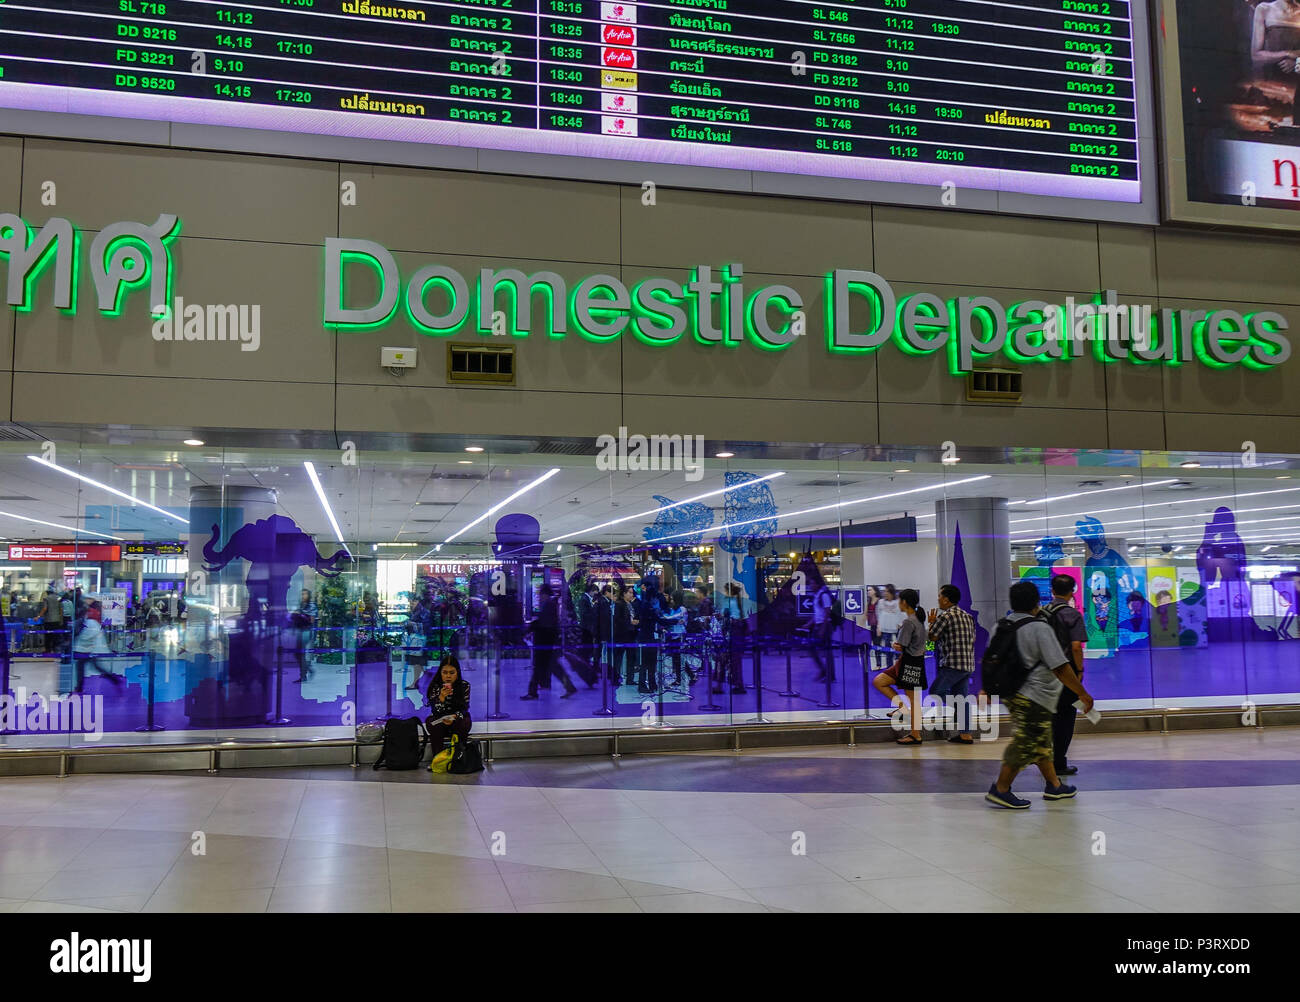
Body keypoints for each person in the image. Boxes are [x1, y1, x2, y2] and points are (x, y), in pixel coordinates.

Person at [986, 580, 1095, 810]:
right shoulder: (1039, 628)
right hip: (1035, 694)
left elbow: (993, 660)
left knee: (1041, 741)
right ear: (1037, 602)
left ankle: (1054, 785)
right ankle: (1001, 788)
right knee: (1026, 742)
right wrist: (1082, 692)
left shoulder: (1000, 626)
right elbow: (1060, 666)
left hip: (1012, 692)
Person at [1045, 574, 1088, 777]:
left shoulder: (1042, 613)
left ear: (1052, 591)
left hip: (1044, 673)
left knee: (1048, 718)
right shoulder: (1073, 615)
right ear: (1072, 592)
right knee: (1065, 718)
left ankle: (1045, 760)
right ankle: (1059, 762)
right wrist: (1079, 671)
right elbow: (1076, 647)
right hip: (1066, 671)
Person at [872, 587, 927, 744]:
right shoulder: (917, 620)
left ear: (904, 602)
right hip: (908, 661)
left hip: (910, 662)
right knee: (879, 681)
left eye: (900, 601)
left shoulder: (909, 622)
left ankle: (915, 734)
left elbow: (900, 645)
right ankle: (903, 709)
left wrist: (898, 645)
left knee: (914, 700)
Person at [927, 583, 977, 744]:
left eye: (940, 596)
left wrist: (931, 623)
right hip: (967, 664)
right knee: (961, 696)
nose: (938, 599)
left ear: (947, 600)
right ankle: (965, 734)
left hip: (952, 664)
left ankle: (959, 711)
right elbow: (973, 638)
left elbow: (932, 637)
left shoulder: (945, 616)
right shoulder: (967, 616)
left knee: (936, 690)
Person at [522, 584, 576, 700]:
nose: (539, 597)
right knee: (553, 667)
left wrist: (531, 627)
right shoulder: (551, 604)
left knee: (540, 667)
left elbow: (544, 623)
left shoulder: (549, 605)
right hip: (547, 642)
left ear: (545, 594)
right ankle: (568, 687)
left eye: (540, 594)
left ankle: (533, 692)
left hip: (545, 643)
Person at [425, 654, 471, 768]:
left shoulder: (464, 686)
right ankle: (438, 760)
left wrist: (454, 717)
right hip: (440, 718)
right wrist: (441, 697)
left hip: (456, 718)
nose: (448, 676)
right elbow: (435, 711)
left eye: (452, 673)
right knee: (432, 723)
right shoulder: (435, 686)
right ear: (440, 673)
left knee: (464, 723)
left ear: (457, 673)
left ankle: (459, 758)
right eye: (445, 672)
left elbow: (464, 708)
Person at [72, 601, 124, 694]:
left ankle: (80, 687)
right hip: (88, 649)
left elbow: (87, 635)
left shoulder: (91, 622)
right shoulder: (91, 621)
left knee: (83, 667)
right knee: (91, 667)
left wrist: (79, 637)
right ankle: (114, 679)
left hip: (86, 649)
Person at [633, 577, 663, 693]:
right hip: (647, 637)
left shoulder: (647, 604)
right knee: (646, 663)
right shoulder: (647, 605)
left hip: (649, 636)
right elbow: (657, 619)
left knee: (650, 662)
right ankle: (644, 685)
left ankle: (651, 683)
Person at [718, 582, 747, 695]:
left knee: (723, 659)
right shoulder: (739, 601)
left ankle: (720, 685)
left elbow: (724, 614)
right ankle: (738, 684)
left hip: (731, 633)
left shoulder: (728, 601)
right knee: (736, 661)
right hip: (738, 633)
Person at [806, 581, 836, 683]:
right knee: (811, 648)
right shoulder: (817, 596)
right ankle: (824, 671)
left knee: (827, 652)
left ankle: (830, 675)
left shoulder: (824, 595)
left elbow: (827, 612)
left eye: (812, 583)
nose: (810, 586)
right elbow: (817, 613)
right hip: (818, 626)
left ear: (817, 584)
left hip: (825, 626)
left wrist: (823, 628)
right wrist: (809, 624)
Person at [612, 584, 637, 686]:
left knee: (631, 657)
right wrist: (629, 622)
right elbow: (617, 620)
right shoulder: (619, 604)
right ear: (624, 594)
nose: (631, 595)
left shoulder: (631, 604)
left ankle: (630, 679)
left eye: (632, 593)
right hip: (621, 635)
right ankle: (616, 679)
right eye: (629, 593)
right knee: (618, 658)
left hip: (631, 634)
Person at [291, 588, 317, 683]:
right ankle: (306, 672)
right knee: (298, 654)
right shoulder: (301, 605)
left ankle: (305, 674)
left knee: (300, 653)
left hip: (306, 631)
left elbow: (311, 621)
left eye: (305, 594)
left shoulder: (311, 605)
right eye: (302, 594)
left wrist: (300, 615)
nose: (303, 596)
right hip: (300, 631)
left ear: (308, 595)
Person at [875, 583, 902, 668]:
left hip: (897, 629)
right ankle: (889, 668)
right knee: (888, 650)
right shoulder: (881, 602)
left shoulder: (897, 602)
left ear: (891, 592)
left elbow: (901, 613)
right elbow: (878, 614)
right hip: (886, 629)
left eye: (887, 591)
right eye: (884, 591)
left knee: (899, 650)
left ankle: (899, 668)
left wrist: (900, 624)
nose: (885, 593)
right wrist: (879, 627)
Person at [578, 581, 599, 670]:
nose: (595, 594)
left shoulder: (587, 599)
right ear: (592, 590)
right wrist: (594, 608)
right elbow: (585, 614)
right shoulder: (584, 599)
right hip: (586, 628)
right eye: (595, 592)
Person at [40, 585, 64, 655]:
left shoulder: (46, 599)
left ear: (48, 592)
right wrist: (61, 619)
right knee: (55, 636)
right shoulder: (59, 598)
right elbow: (61, 610)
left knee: (48, 636)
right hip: (57, 620)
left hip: (48, 620)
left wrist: (38, 616)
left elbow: (44, 609)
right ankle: (55, 650)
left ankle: (48, 650)